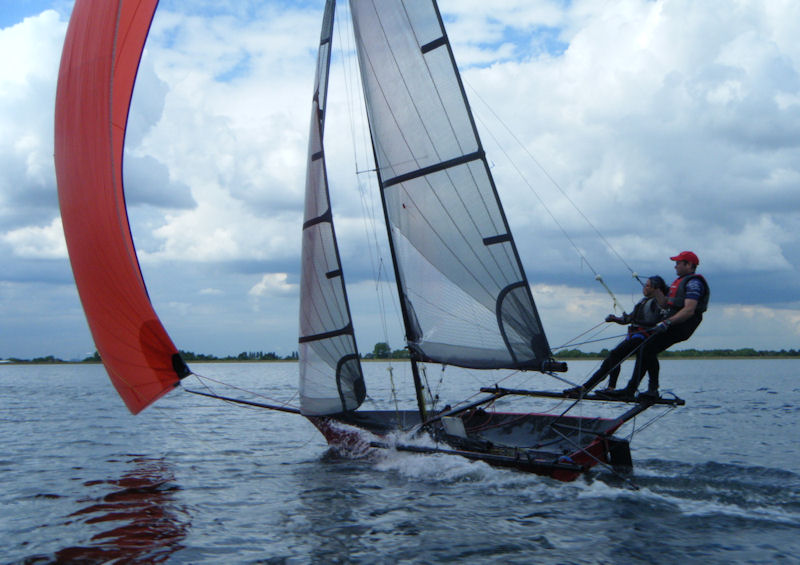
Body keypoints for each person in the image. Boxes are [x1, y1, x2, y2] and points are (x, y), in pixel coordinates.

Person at [609, 251, 710, 401]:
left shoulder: (694, 283)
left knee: (647, 348)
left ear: (688, 265)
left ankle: (647, 389)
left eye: (678, 263)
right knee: (646, 349)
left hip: (683, 324)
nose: (675, 266)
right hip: (674, 322)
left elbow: (689, 310)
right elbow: (665, 304)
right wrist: (656, 291)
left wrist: (667, 322)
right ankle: (639, 389)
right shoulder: (680, 282)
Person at [563, 276, 667, 398]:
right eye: (645, 284)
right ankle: (585, 388)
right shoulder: (643, 301)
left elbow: (662, 311)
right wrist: (615, 319)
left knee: (615, 355)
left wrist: (659, 293)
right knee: (608, 362)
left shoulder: (656, 302)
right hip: (633, 336)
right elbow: (629, 319)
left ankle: (610, 388)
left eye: (648, 285)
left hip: (642, 337)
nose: (644, 287)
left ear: (655, 288)